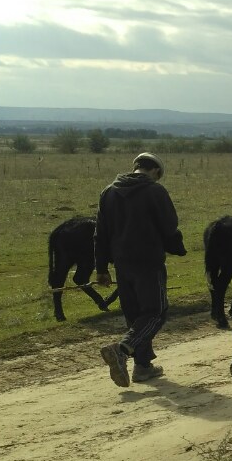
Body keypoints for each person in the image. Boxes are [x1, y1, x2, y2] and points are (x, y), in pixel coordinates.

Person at [94, 152, 187, 387]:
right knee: (155, 312)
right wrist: (178, 247)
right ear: (155, 171)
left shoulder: (109, 192)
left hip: (122, 264)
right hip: (148, 262)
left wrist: (101, 268)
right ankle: (122, 349)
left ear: (136, 166)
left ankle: (143, 367)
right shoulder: (155, 191)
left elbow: (100, 234)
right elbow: (169, 227)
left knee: (135, 315)